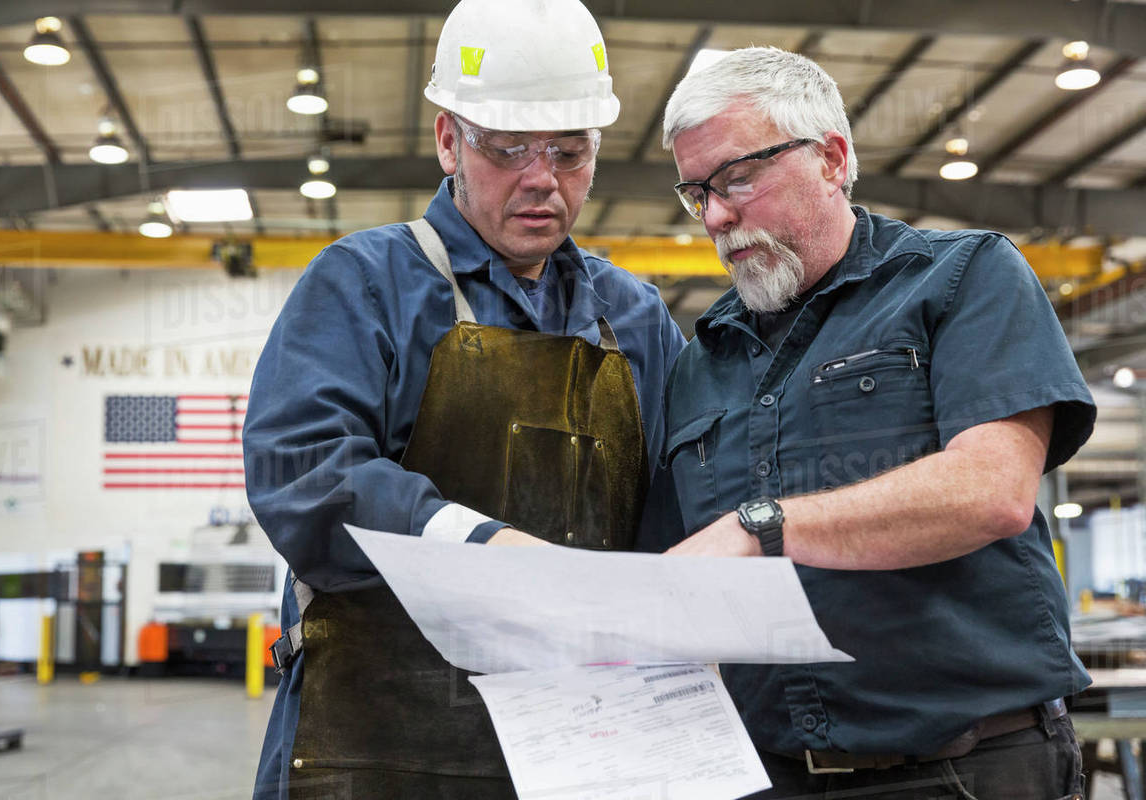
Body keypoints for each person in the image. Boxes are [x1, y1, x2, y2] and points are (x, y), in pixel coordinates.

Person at [243, 1, 686, 798]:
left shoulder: (637, 320)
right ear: (449, 140)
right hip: (377, 754)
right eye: (509, 148)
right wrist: (482, 548)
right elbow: (304, 470)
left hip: (581, 751)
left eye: (569, 151)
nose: (542, 178)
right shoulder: (366, 284)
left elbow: (683, 503)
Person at [643, 47, 1093, 799]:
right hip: (770, 775)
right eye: (698, 194)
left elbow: (991, 491)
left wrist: (760, 526)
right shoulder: (701, 360)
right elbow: (674, 566)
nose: (716, 216)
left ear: (831, 158)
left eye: (738, 178)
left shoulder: (963, 279)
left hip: (966, 770)